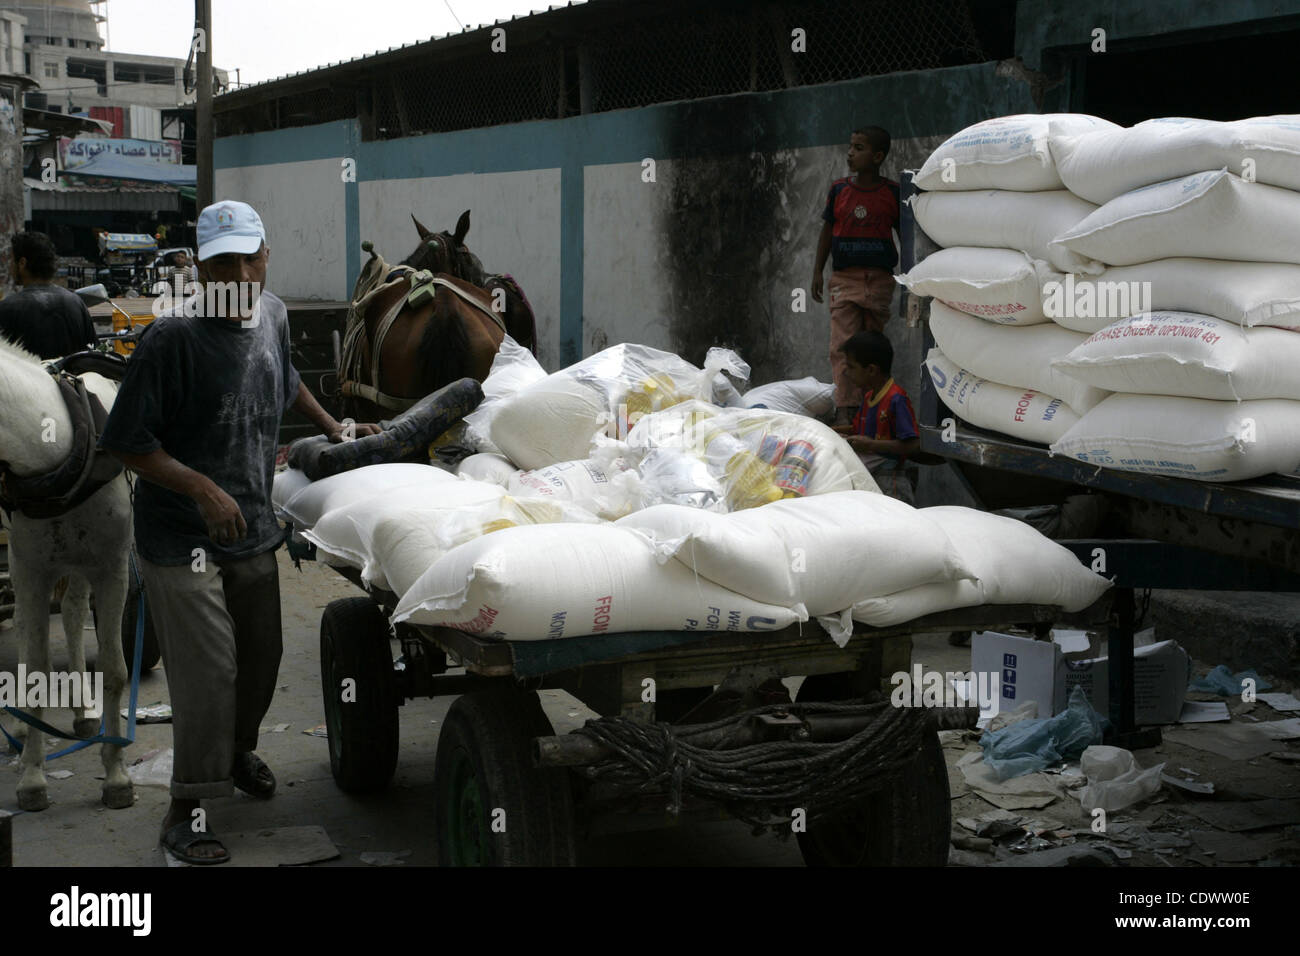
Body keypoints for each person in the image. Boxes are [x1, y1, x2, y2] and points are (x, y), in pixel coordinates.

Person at [99, 200, 380, 864]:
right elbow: (126, 443)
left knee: (261, 662)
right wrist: (199, 486)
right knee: (208, 672)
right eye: (221, 261)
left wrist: (334, 426)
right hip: (180, 541)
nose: (237, 273)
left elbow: (282, 385)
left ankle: (232, 753)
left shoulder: (273, 314)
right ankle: (187, 808)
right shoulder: (171, 340)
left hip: (254, 527)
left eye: (246, 259)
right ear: (199, 266)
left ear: (265, 255)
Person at [811, 126, 901, 427]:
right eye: (851, 147)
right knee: (842, 345)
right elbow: (827, 232)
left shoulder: (891, 193)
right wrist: (817, 271)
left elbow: (905, 235)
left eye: (859, 148)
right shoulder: (839, 190)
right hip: (844, 279)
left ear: (877, 157)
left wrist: (912, 277)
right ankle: (846, 409)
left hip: (879, 281)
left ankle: (873, 408)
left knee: (872, 347)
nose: (851, 153)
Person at [833, 330, 919, 504]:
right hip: (871, 474)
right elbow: (858, 429)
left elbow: (913, 444)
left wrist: (870, 444)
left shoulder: (896, 398)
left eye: (851, 367)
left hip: (891, 479)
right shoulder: (869, 396)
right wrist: (832, 431)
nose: (846, 373)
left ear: (871, 370)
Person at [0, 232, 98, 359]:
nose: (10, 266)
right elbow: (93, 354)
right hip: (71, 377)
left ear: (22, 263)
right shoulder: (76, 303)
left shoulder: (7, 308)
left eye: (12, 261)